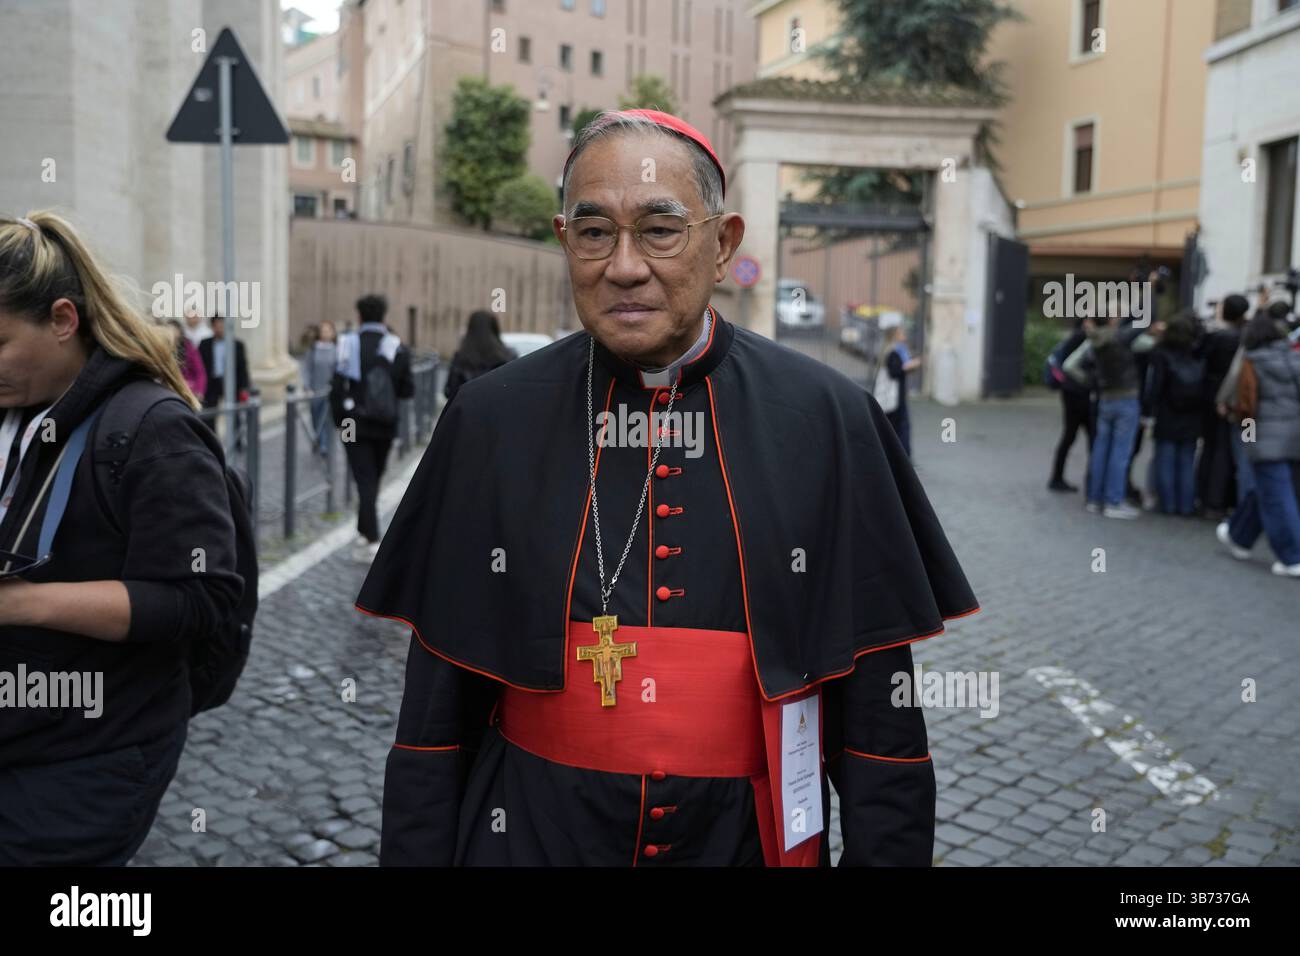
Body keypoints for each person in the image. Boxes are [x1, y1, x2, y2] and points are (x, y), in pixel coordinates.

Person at [356, 109, 979, 867]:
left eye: (659, 229)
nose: (623, 265)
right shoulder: (490, 421)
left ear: (723, 245)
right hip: (531, 839)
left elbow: (883, 735)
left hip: (745, 845)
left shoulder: (827, 420)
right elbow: (432, 722)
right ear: (565, 242)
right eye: (594, 233)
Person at [0, 212, 242, 864]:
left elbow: (201, 600)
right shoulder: (19, 409)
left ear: (62, 320)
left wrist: (20, 603)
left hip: (92, 753)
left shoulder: (152, 428)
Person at [330, 295, 414, 563]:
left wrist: (339, 420)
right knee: (373, 478)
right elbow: (407, 389)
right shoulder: (395, 346)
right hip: (385, 424)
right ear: (384, 316)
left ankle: (370, 535)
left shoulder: (347, 344)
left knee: (364, 479)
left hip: (352, 423)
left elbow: (336, 387)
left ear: (359, 316)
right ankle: (369, 533)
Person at [1217, 312, 1300, 576]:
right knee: (1271, 489)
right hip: (1294, 436)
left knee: (1275, 495)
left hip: (1264, 435)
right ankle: (1238, 535)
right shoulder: (1293, 358)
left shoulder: (1251, 363)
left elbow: (1245, 406)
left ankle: (1292, 556)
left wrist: (1249, 440)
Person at [1064, 311, 1159, 518]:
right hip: (1125, 397)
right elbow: (1146, 335)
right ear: (1111, 320)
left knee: (1101, 449)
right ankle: (1113, 501)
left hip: (1105, 397)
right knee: (1120, 452)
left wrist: (1090, 382)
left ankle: (1095, 498)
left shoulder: (1095, 340)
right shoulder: (1120, 338)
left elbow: (1070, 365)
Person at [1143, 312, 1205, 516]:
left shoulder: (1160, 353)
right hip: (1193, 413)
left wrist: (1148, 411)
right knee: (1187, 460)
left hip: (1167, 412)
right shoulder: (1197, 352)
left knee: (1165, 459)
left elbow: (1155, 386)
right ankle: (1186, 504)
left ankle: (1167, 504)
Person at [1197, 294, 1250, 515]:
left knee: (1214, 448)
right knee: (1232, 451)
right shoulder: (1244, 337)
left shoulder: (1216, 337)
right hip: (1239, 402)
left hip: (1216, 398)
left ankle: (1211, 498)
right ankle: (1229, 499)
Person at [1047, 318, 1096, 492]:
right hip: (1078, 393)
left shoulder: (1076, 337)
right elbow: (1071, 366)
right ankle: (1092, 481)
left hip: (1071, 392)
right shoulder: (1082, 338)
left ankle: (1057, 477)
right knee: (1085, 437)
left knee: (1070, 436)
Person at [197, 314, 251, 448]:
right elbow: (199, 367)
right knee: (209, 413)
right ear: (212, 326)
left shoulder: (237, 345)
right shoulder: (204, 344)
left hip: (231, 383)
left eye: (222, 325)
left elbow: (243, 368)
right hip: (212, 383)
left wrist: (244, 387)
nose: (219, 328)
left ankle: (237, 440)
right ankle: (211, 442)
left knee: (234, 413)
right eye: (216, 325)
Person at [443, 310, 517, 403]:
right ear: (495, 328)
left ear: (470, 329)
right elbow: (514, 390)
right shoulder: (508, 356)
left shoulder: (461, 357)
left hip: (468, 410)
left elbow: (449, 391)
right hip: (499, 410)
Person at [877, 313, 920, 457]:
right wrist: (910, 366)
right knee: (899, 428)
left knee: (899, 427)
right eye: (901, 332)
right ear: (895, 334)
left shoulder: (895, 350)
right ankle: (901, 457)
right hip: (894, 398)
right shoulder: (892, 352)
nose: (904, 335)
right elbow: (894, 371)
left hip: (896, 397)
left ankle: (899, 456)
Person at [301, 320, 337, 457]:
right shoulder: (313, 349)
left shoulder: (336, 350)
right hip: (315, 390)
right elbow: (307, 369)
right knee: (316, 419)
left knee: (327, 419)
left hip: (329, 391)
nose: (326, 333)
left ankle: (324, 445)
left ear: (333, 333)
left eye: (328, 330)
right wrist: (307, 386)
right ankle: (317, 440)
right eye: (323, 330)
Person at [165, 318, 207, 400]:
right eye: (169, 330)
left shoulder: (188, 346)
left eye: (174, 330)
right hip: (169, 390)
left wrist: (199, 391)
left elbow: (200, 371)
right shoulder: (162, 347)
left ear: (180, 332)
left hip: (188, 391)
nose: (172, 333)